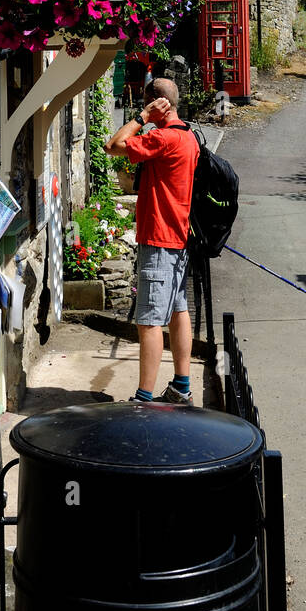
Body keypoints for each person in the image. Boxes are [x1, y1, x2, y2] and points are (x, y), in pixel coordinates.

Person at [104, 77, 201, 404]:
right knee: (177, 310)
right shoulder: (189, 136)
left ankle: (143, 398)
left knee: (148, 321)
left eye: (147, 103)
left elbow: (113, 145)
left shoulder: (162, 138)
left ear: (157, 104)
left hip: (159, 237)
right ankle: (181, 387)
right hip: (179, 236)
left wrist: (142, 117)